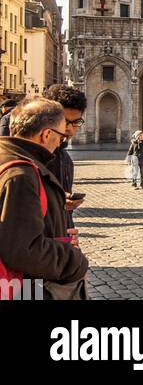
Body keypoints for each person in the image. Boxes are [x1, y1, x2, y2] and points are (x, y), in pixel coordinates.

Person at [0, 96, 89, 299]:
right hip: (30, 288)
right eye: (60, 136)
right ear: (46, 134)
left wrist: (58, 227)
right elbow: (24, 249)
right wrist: (74, 260)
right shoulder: (21, 175)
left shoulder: (13, 160)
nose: (61, 142)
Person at [43, 84, 87, 227]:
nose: (69, 129)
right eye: (65, 121)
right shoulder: (30, 158)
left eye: (75, 122)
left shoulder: (65, 159)